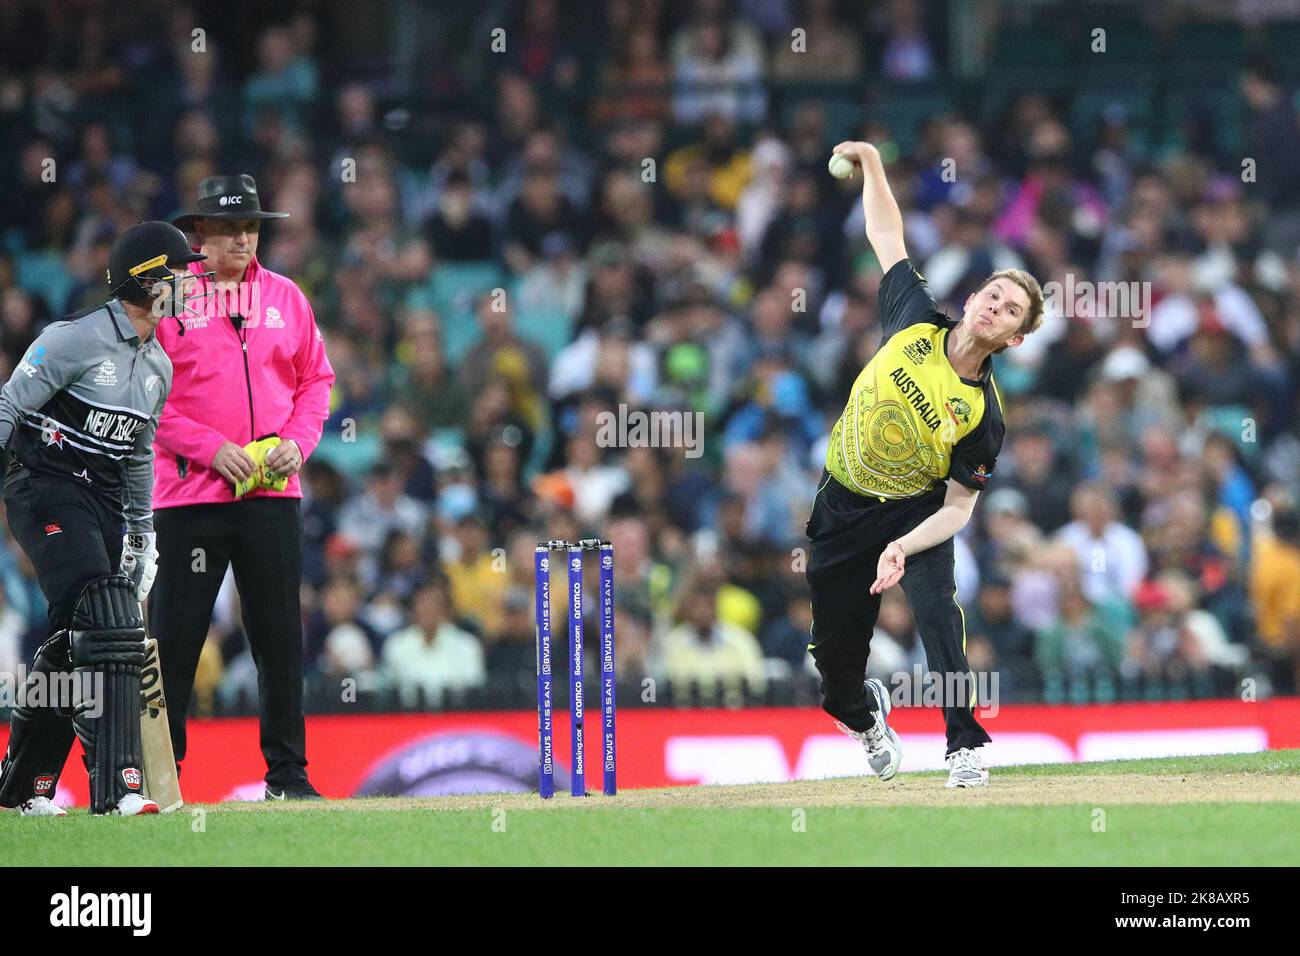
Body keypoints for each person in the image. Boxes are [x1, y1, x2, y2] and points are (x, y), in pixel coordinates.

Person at [804, 141, 1044, 789]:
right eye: (993, 294)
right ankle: (863, 717)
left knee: (939, 615)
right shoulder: (914, 320)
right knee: (834, 671)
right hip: (842, 502)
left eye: (1011, 310)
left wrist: (903, 546)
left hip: (917, 513)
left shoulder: (984, 415)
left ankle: (964, 747)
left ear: (1015, 338)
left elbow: (960, 508)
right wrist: (875, 162)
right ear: (973, 297)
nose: (995, 306)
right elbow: (887, 235)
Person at [0, 221, 205, 816]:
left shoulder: (159, 365)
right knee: (107, 614)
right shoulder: (73, 338)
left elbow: (137, 453)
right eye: (179, 272)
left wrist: (142, 532)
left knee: (73, 638)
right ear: (147, 279)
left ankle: (23, 786)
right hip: (44, 487)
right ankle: (119, 787)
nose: (190, 284)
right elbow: (9, 403)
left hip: (104, 506)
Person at [150, 174, 334, 800]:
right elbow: (147, 399)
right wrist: (211, 448)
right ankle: (159, 778)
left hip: (271, 496)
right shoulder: (170, 300)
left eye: (250, 228)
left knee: (281, 640)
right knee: (176, 642)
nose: (241, 241)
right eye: (228, 229)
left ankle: (288, 776)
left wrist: (298, 444)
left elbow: (316, 381)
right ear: (199, 234)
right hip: (190, 497)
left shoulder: (288, 297)